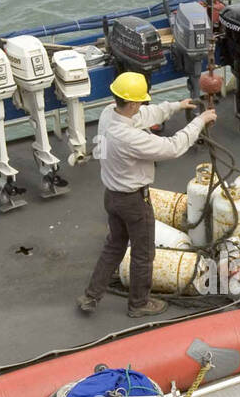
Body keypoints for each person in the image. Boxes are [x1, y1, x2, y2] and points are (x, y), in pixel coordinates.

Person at [77, 72, 216, 317]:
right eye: (140, 101)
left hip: (112, 196)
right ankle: (139, 304)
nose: (142, 105)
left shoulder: (109, 113)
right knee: (143, 253)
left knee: (115, 245)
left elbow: (142, 116)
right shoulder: (130, 138)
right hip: (133, 201)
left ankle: (91, 295)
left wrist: (175, 106)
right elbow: (173, 147)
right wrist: (200, 121)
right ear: (131, 102)